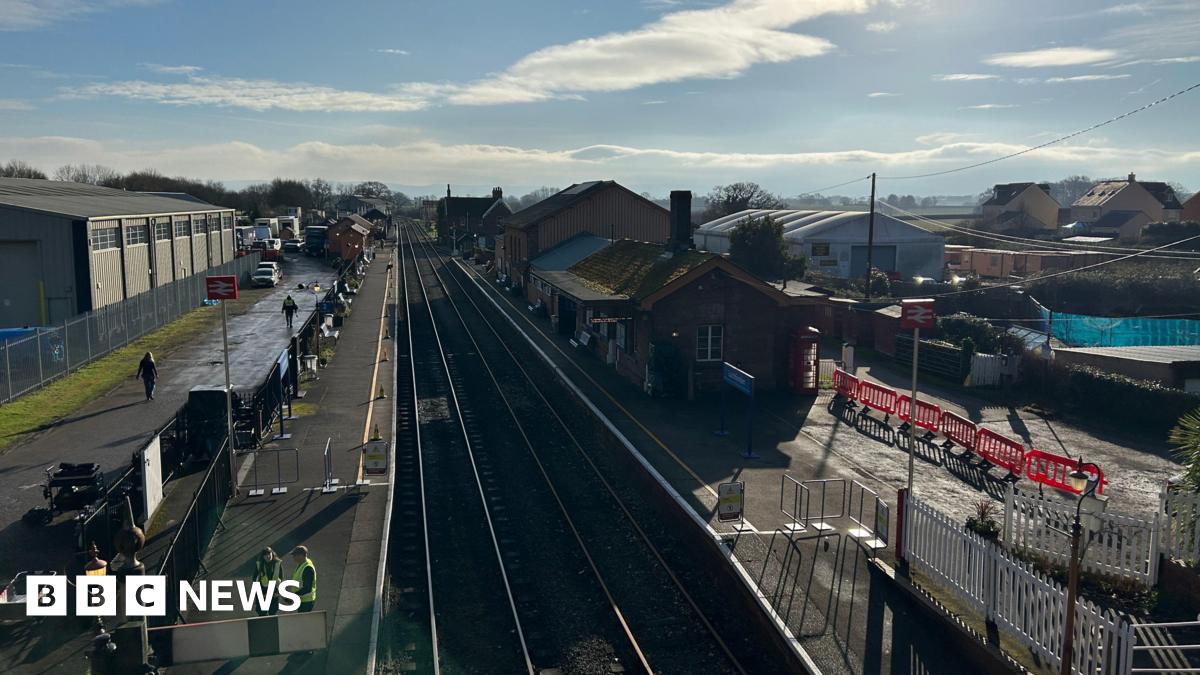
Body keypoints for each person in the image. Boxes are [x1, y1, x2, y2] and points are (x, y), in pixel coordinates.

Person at [253, 547, 284, 616]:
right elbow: (254, 579)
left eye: (269, 554)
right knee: (261, 612)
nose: (268, 556)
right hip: (262, 591)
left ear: (272, 554)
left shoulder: (278, 564)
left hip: (273, 591)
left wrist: (276, 591)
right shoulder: (259, 564)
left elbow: (281, 578)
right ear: (263, 556)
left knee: (273, 611)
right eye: (265, 555)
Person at [290, 545, 316, 612]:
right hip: (302, 600)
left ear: (301, 555)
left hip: (306, 601)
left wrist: (293, 596)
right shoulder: (302, 564)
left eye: (294, 555)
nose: (293, 557)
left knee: (304, 618)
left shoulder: (307, 568)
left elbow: (307, 588)